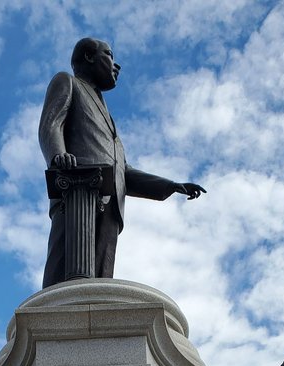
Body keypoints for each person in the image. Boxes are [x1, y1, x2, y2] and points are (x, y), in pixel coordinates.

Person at [39, 37, 206, 287]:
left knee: (100, 281)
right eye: (109, 55)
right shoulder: (68, 82)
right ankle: (50, 322)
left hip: (111, 205)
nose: (117, 66)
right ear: (88, 57)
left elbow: (123, 173)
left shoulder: (109, 122)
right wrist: (58, 157)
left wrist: (170, 186)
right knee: (63, 271)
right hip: (76, 191)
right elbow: (51, 124)